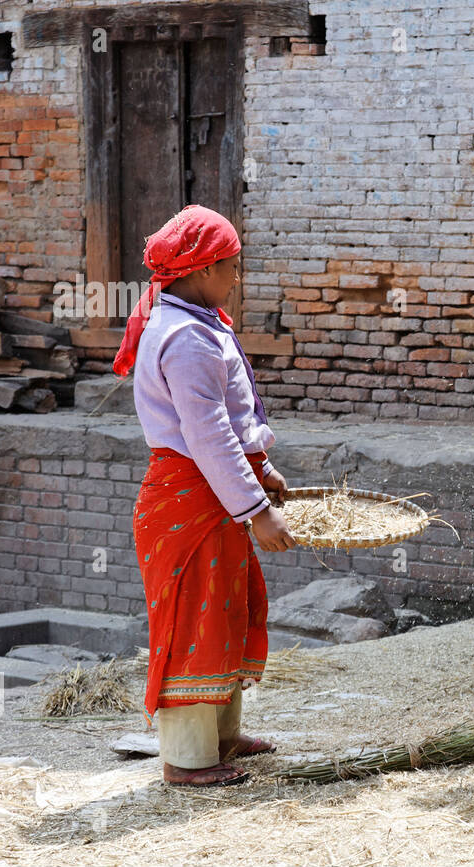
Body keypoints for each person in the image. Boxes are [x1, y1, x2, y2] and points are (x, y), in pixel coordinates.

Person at [114, 204, 297, 786]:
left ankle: (221, 735)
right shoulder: (187, 338)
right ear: (202, 271)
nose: (237, 279)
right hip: (190, 498)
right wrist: (258, 511)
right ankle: (187, 760)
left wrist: (261, 468)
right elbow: (208, 435)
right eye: (232, 267)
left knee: (227, 609)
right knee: (196, 620)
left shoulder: (195, 321)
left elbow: (230, 424)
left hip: (210, 492)